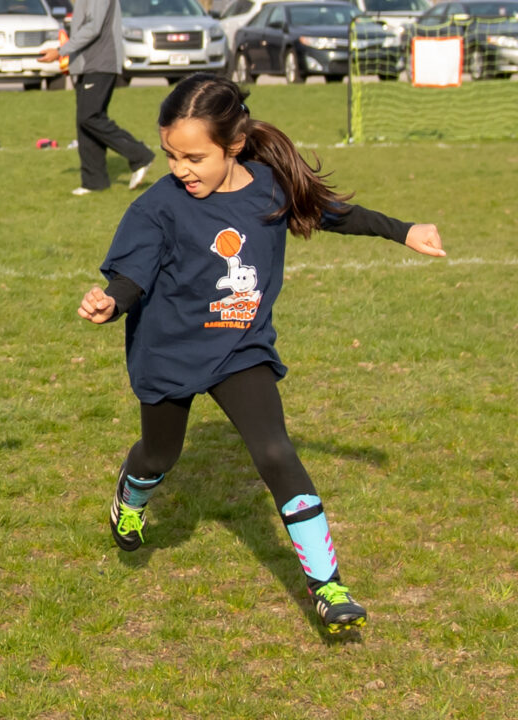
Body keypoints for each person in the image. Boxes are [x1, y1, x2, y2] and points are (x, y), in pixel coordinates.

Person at [78, 74, 446, 634]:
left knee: (275, 451)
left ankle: (329, 588)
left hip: (238, 347)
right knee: (161, 457)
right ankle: (131, 492)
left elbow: (335, 214)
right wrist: (112, 301)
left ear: (234, 144)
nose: (180, 169)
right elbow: (133, 273)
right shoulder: (159, 207)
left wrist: (404, 230)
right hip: (169, 352)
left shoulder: (271, 188)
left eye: (195, 157)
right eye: (171, 155)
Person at [38, 0, 154, 196]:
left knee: (90, 117)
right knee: (84, 122)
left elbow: (93, 27)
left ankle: (140, 156)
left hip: (100, 64)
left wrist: (60, 51)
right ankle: (94, 181)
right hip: (87, 66)